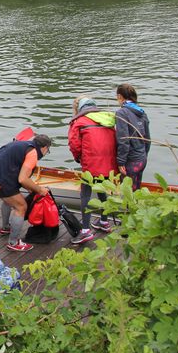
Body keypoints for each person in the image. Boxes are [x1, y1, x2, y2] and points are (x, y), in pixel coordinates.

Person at [0, 134, 52, 252]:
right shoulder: (33, 153)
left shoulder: (23, 145)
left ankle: (5, 228)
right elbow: (23, 179)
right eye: (47, 151)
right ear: (45, 148)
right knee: (21, 206)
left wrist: (32, 188)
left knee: (9, 200)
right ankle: (13, 243)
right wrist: (40, 190)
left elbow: (18, 174)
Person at [68, 96, 118, 244]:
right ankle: (104, 221)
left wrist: (78, 158)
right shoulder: (107, 119)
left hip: (90, 163)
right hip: (109, 163)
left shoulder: (79, 122)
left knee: (85, 195)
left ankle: (85, 231)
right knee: (101, 189)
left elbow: (74, 144)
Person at [115, 84, 151, 191]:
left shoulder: (121, 113)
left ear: (120, 96)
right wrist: (144, 154)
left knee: (127, 192)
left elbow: (123, 139)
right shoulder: (142, 112)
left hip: (131, 161)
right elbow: (147, 139)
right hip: (142, 159)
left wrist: (121, 161)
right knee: (136, 190)